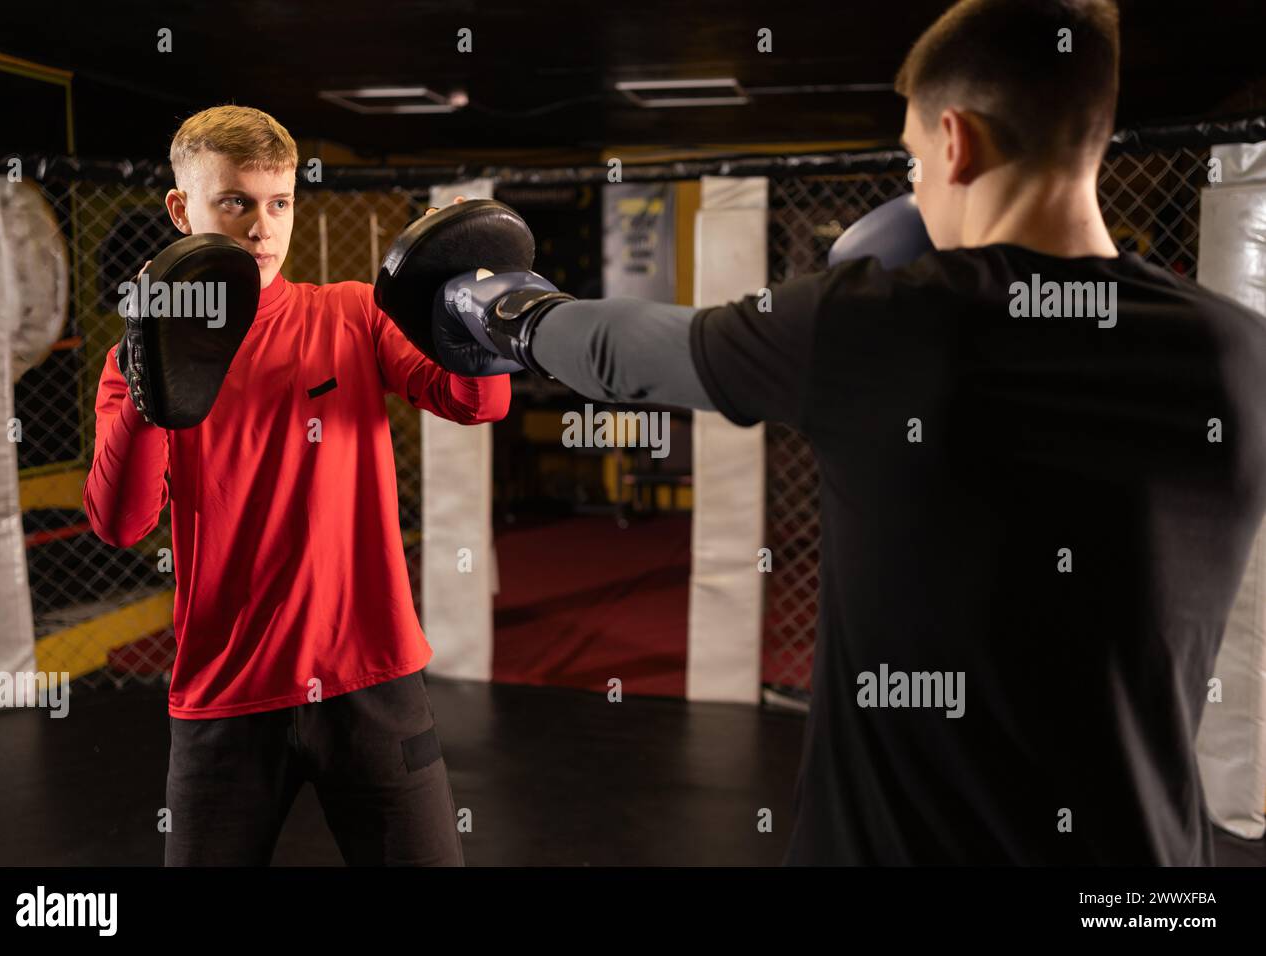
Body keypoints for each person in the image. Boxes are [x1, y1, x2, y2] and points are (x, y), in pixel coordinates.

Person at [435, 0, 1266, 864]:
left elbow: (631, 354)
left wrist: (503, 309)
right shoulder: (1237, 354)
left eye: (912, 159)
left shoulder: (879, 324)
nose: (915, 188)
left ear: (957, 141)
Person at [83, 105, 511, 865]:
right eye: (236, 202)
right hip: (225, 695)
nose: (261, 226)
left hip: (372, 683)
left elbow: (474, 403)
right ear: (182, 209)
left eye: (279, 203)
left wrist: (470, 309)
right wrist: (152, 388)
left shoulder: (349, 315)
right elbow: (121, 524)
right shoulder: (134, 359)